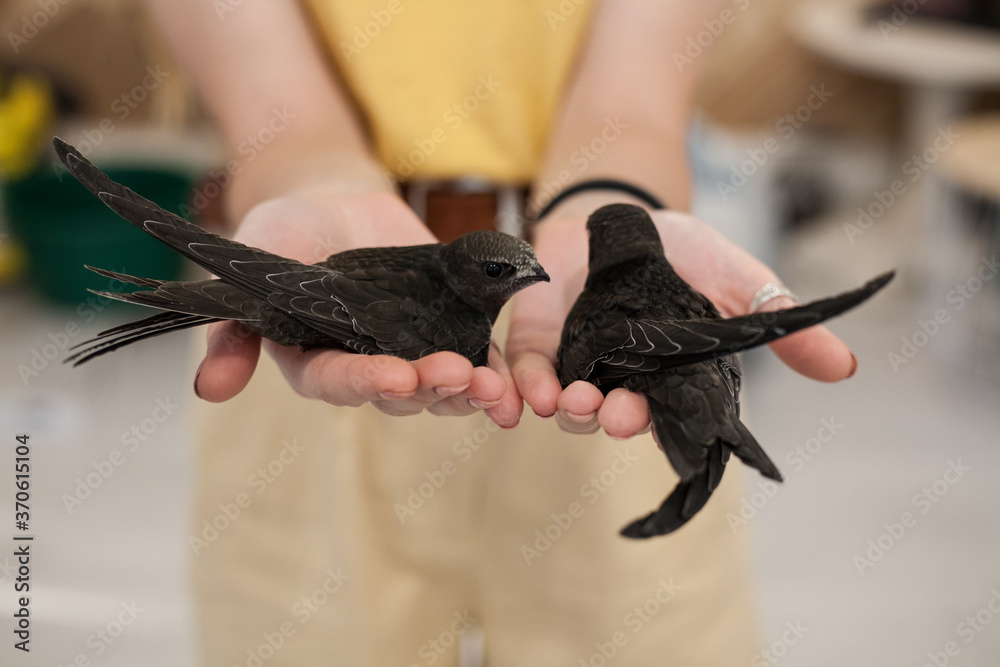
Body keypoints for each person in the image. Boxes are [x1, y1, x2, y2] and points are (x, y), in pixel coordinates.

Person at [143, 1, 858, 664]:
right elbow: (274, 99)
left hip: (604, 349)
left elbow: (632, 95)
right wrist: (301, 162)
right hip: (319, 294)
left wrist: (612, 204)